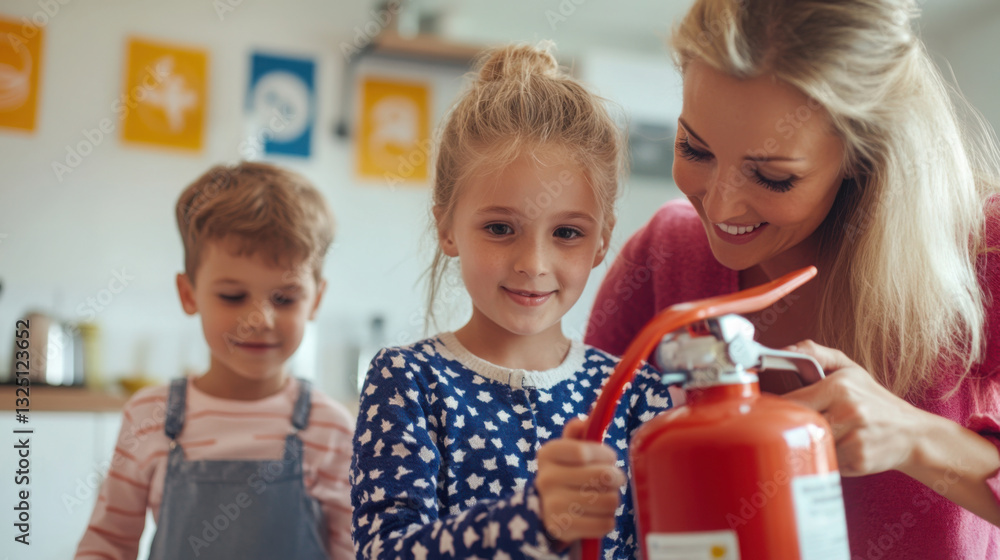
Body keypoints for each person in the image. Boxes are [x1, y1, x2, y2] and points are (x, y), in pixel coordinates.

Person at [584, 0, 1000, 557]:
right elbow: (585, 476)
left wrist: (918, 439)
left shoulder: (983, 250)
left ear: (862, 153)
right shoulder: (663, 257)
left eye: (772, 176)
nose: (720, 206)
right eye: (694, 150)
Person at [350, 42, 673, 559]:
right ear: (447, 227)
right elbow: (385, 551)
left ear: (602, 241)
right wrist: (533, 522)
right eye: (501, 228)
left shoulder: (637, 394)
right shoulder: (408, 382)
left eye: (567, 233)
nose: (533, 263)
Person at [74, 162, 355, 560]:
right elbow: (107, 544)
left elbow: (353, 550)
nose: (260, 320)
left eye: (285, 298)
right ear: (188, 294)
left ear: (316, 300)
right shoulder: (147, 417)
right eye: (232, 296)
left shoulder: (332, 428)